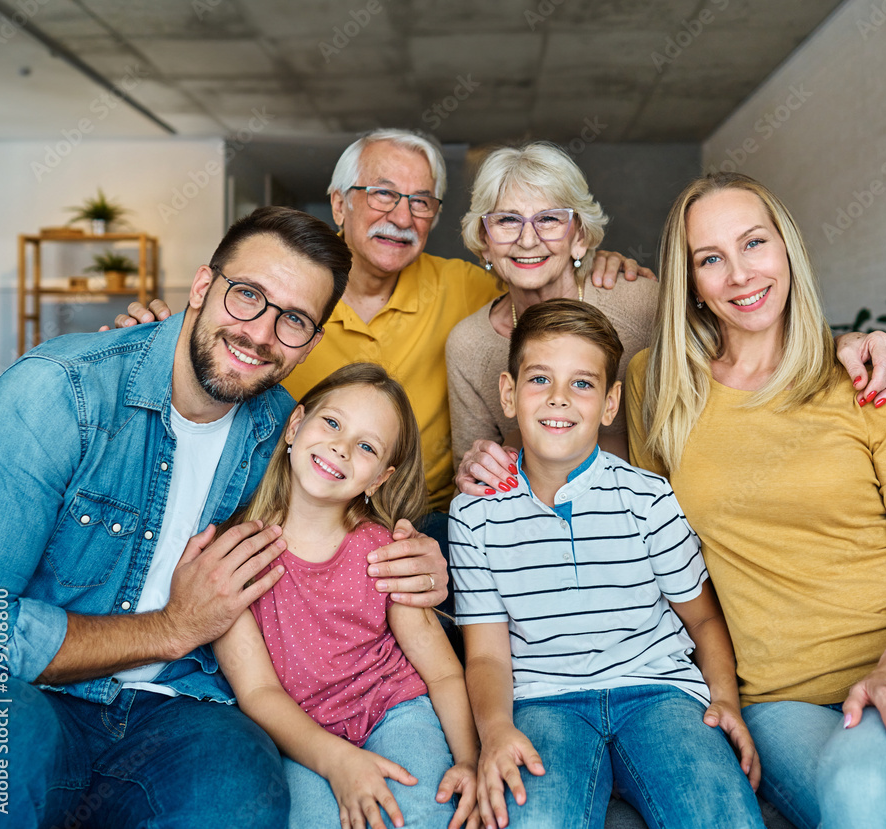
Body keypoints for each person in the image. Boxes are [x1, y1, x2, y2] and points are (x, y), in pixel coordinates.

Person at [0, 207, 448, 828]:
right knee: (3, 748)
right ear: (203, 286)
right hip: (38, 695)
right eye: (248, 295)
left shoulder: (284, 433)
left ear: (311, 341)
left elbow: (355, 512)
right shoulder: (58, 394)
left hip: (189, 703)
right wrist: (171, 627)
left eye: (295, 320)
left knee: (239, 785)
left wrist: (419, 559)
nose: (260, 333)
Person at [625, 172, 886, 829]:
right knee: (864, 796)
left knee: (866, 793)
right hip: (782, 700)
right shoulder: (659, 384)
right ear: (691, 283)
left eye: (754, 243)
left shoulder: (861, 375)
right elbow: (661, 561)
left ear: (786, 248)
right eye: (711, 258)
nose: (739, 274)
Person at [115, 129, 648, 536]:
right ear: (340, 203)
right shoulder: (293, 300)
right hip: (300, 514)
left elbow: (544, 276)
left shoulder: (467, 288)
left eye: (421, 202)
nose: (401, 215)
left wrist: (607, 265)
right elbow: (220, 330)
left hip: (424, 525)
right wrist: (159, 336)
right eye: (383, 194)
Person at [449, 299, 764, 829]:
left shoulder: (648, 497)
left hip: (659, 693)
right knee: (535, 821)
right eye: (539, 379)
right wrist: (497, 729)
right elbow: (485, 657)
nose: (558, 399)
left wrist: (727, 702)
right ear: (508, 392)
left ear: (610, 403)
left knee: (720, 814)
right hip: (545, 703)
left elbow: (704, 618)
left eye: (582, 384)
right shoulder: (474, 515)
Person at [213, 363, 479, 829]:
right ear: (294, 426)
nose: (341, 447)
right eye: (332, 423)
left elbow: (441, 672)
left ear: (378, 479)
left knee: (417, 816)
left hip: (395, 712)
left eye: (366, 447)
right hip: (301, 736)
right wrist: (336, 759)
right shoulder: (238, 557)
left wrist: (470, 760)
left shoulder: (384, 552)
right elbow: (257, 692)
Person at [446, 142, 659, 485]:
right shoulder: (468, 344)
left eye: (548, 219)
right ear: (484, 240)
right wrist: (477, 466)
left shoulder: (642, 304)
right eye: (507, 220)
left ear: (579, 236)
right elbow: (473, 480)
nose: (528, 240)